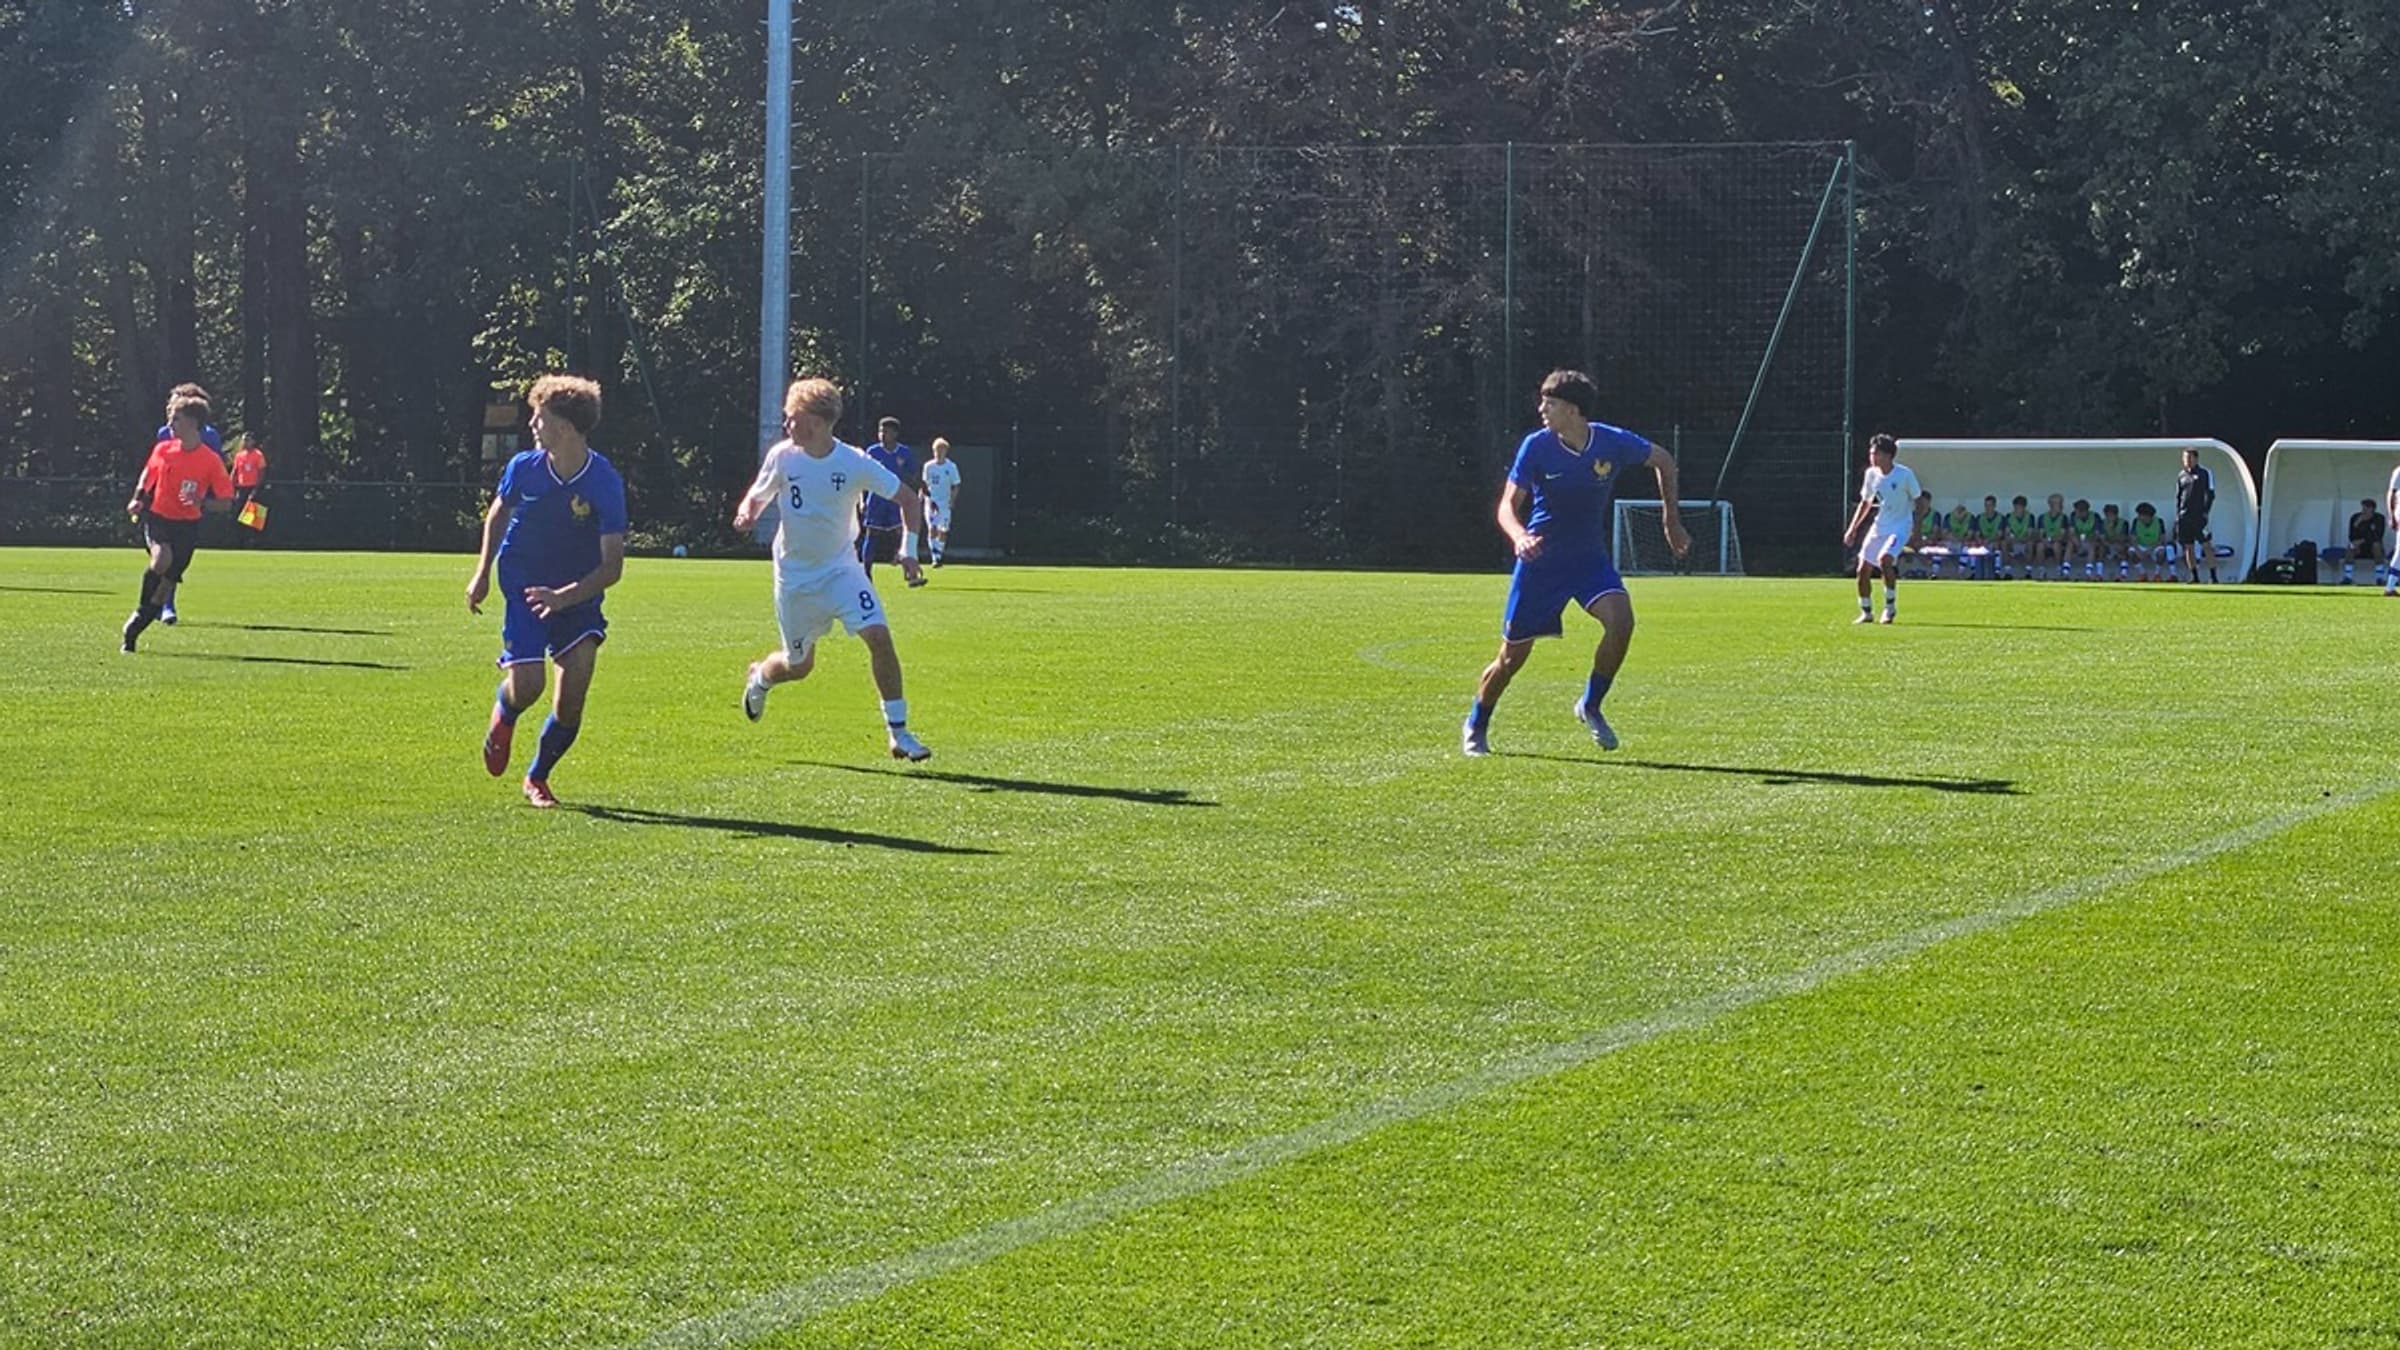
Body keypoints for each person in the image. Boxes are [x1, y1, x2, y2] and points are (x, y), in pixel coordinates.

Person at [1462, 369, 1688, 757]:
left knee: (1622, 622)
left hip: (1588, 562)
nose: (1541, 409)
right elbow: (1507, 505)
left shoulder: (1612, 442)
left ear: (1572, 410)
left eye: (1549, 404)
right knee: (1512, 657)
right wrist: (1520, 536)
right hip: (1541, 564)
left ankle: (1591, 704)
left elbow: (1664, 461)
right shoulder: (1536, 447)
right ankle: (1477, 723)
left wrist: (1671, 520)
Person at [733, 377, 934, 762]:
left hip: (842, 570)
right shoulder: (783, 456)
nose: (786, 424)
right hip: (794, 578)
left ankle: (900, 732)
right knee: (798, 666)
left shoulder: (854, 462)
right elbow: (756, 497)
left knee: (879, 636)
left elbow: (909, 500)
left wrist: (909, 551)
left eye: (792, 417)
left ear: (817, 422)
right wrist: (747, 513)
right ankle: (760, 677)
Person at [464, 375, 627, 809]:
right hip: (525, 584)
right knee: (529, 684)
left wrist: (566, 597)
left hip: (578, 596)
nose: (533, 422)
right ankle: (506, 713)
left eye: (541, 416)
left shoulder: (604, 481)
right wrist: (482, 573)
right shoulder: (524, 467)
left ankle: (537, 777)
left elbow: (612, 567)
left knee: (571, 700)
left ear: (566, 428)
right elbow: (497, 516)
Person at [121, 390, 234, 651]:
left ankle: (134, 629)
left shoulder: (210, 461)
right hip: (159, 518)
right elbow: (148, 474)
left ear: (194, 422)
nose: (170, 425)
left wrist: (201, 502)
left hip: (187, 527)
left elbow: (226, 503)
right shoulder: (164, 449)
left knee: (164, 588)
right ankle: (137, 617)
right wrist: (138, 497)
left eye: (176, 419)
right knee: (161, 560)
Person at [148, 382, 225, 619]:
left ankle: (164, 602)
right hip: (163, 505)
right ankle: (159, 604)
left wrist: (206, 499)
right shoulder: (165, 434)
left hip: (191, 504)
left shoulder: (210, 436)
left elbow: (214, 465)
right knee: (163, 557)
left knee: (178, 558)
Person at [1840, 432, 1920, 624]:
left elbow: (1920, 501)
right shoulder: (1871, 474)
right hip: (1879, 526)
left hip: (1900, 526)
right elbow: (1866, 503)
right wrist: (1852, 529)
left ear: (1888, 455)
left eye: (1876, 453)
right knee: (1862, 569)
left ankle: (1889, 608)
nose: (1872, 457)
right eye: (1871, 453)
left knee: (1885, 559)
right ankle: (1866, 611)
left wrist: (1916, 530)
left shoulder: (1904, 474)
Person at [857, 415, 927, 585]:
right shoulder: (872, 452)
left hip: (896, 498)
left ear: (895, 434)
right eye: (880, 431)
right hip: (876, 499)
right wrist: (862, 499)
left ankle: (909, 572)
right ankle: (866, 574)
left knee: (901, 534)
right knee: (872, 533)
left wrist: (920, 492)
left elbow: (913, 475)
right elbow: (861, 477)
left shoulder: (904, 453)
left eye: (886, 431)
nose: (882, 435)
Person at [2174, 445, 2216, 583]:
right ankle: (2194, 576)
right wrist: (2178, 515)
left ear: (2196, 458)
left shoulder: (2205, 473)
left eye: (2189, 458)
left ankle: (2213, 576)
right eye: (2185, 458)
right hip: (2184, 517)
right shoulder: (2181, 475)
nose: (2187, 461)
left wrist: (2205, 513)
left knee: (2206, 545)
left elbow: (2210, 495)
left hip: (2199, 517)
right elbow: (2178, 496)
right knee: (2188, 546)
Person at [921, 436, 963, 567]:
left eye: (941, 450)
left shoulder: (951, 467)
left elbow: (956, 485)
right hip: (931, 502)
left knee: (943, 530)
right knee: (932, 528)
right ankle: (935, 558)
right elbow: (923, 483)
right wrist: (921, 497)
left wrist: (952, 500)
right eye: (936, 450)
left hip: (944, 503)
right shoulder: (928, 466)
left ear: (946, 451)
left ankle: (939, 553)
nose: (938, 453)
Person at [229, 433, 267, 547]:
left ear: (253, 441)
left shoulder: (258, 455)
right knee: (239, 514)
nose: (245, 442)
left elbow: (262, 472)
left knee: (253, 517)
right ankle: (240, 541)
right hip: (242, 488)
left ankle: (254, 541)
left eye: (248, 440)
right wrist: (230, 486)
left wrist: (256, 489)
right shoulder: (239, 455)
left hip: (253, 487)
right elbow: (235, 471)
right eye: (244, 440)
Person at [2345, 498, 2384, 585]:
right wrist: (2356, 524)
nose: (2364, 511)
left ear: (2372, 509)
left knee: (2376, 546)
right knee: (2350, 546)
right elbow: (2351, 536)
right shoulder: (2355, 518)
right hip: (2359, 548)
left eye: (2367, 509)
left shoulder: (2379, 518)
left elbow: (2378, 536)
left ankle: (2379, 578)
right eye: (2363, 508)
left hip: (2372, 547)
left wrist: (2362, 541)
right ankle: (2347, 577)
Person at [2128, 502, 2169, 581]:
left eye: (2141, 515)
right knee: (2131, 552)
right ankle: (2142, 573)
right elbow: (2133, 539)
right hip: (2141, 546)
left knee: (2162, 552)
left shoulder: (2159, 521)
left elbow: (2162, 539)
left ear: (2148, 516)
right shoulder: (2136, 521)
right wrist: (2138, 550)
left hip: (2154, 546)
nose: (2139, 517)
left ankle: (2157, 574)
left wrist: (2151, 549)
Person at [1998, 494, 2037, 580]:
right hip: (2013, 542)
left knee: (2030, 544)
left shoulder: (2030, 517)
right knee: (2004, 543)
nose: (2017, 509)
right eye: (2015, 507)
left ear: (2024, 507)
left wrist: (2022, 540)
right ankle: (2007, 572)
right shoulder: (2009, 516)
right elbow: (2007, 533)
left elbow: (2030, 534)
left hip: (2024, 543)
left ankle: (2028, 572)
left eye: (2019, 507)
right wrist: (2013, 540)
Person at [2065, 498, 2101, 579]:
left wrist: (2087, 542)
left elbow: (2097, 534)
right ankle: (2065, 572)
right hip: (2077, 542)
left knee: (2091, 546)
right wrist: (2078, 545)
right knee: (2069, 544)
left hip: (2090, 541)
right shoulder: (2073, 516)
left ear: (2084, 511)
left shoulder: (2095, 517)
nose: (2076, 513)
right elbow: (2071, 533)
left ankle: (2088, 572)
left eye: (2077, 511)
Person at [2036, 492, 2070, 579]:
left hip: (2058, 542)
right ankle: (2041, 570)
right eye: (2059, 504)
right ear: (2050, 505)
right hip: (2045, 542)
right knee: (2040, 546)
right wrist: (2045, 541)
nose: (2061, 506)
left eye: (2061, 503)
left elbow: (2062, 535)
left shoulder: (2064, 518)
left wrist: (2050, 540)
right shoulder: (2042, 517)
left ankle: (2059, 569)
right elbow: (2040, 534)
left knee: (2056, 545)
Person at [2097, 503, 2129, 580]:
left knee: (2123, 548)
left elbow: (2123, 538)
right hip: (2107, 545)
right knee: (2101, 549)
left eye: (2111, 515)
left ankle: (2123, 574)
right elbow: (2102, 538)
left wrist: (2112, 531)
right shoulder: (2102, 523)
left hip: (2119, 544)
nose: (2109, 517)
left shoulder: (2124, 523)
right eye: (2107, 515)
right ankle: (2099, 574)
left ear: (2116, 514)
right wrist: (2111, 546)